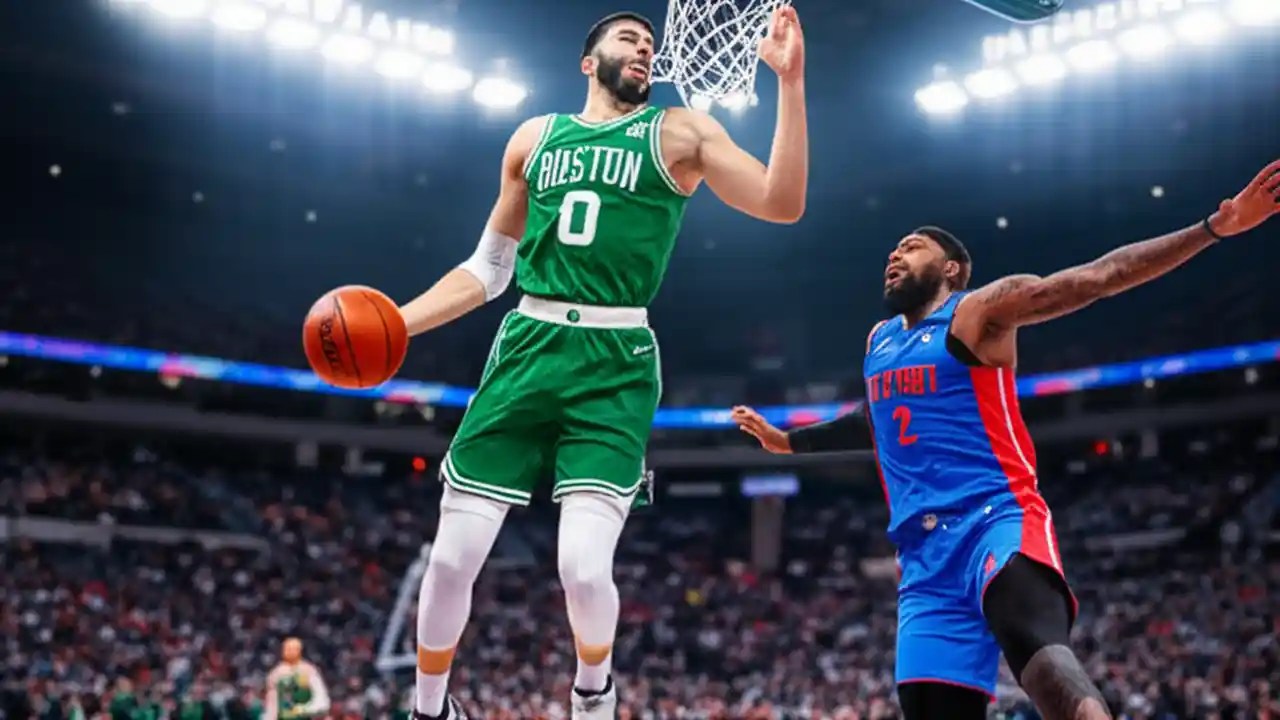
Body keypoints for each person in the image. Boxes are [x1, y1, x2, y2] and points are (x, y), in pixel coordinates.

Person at [732, 160, 1280, 720]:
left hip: (995, 518)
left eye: (911, 247)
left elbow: (1097, 278)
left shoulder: (977, 314)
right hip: (923, 559)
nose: (894, 256)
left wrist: (1213, 228)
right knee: (928, 706)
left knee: (1039, 659)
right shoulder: (880, 340)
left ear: (952, 269)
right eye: (892, 251)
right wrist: (787, 443)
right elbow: (875, 416)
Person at [396, 7, 808, 719]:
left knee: (582, 568)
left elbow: (783, 201)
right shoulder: (534, 137)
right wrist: (398, 324)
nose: (644, 50)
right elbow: (488, 270)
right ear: (589, 62)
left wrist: (792, 85)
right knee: (449, 558)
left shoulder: (679, 130)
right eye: (628, 40)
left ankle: (593, 693)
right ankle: (429, 707)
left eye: (650, 44)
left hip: (615, 358)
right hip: (528, 342)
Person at [263, 638, 330, 720]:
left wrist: (304, 709)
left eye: (294, 649)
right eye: (288, 649)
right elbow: (272, 705)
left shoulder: (309, 671)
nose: (290, 652)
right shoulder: (276, 674)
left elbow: (322, 702)